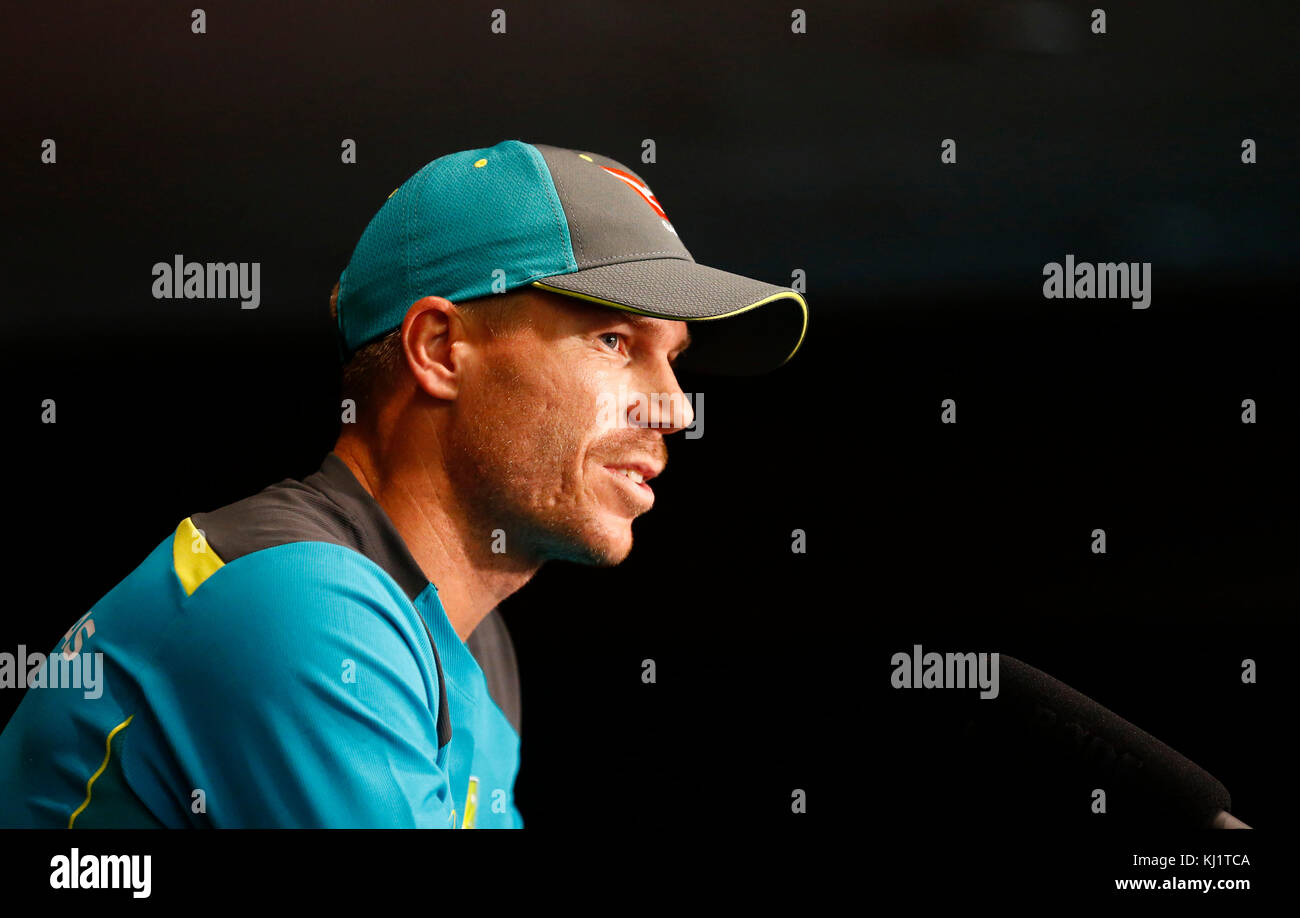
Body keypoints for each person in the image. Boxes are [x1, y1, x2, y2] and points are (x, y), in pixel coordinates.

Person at [0, 140, 808, 827]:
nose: (673, 408)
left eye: (673, 360)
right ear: (439, 348)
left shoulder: (472, 648)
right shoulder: (296, 598)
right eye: (612, 340)